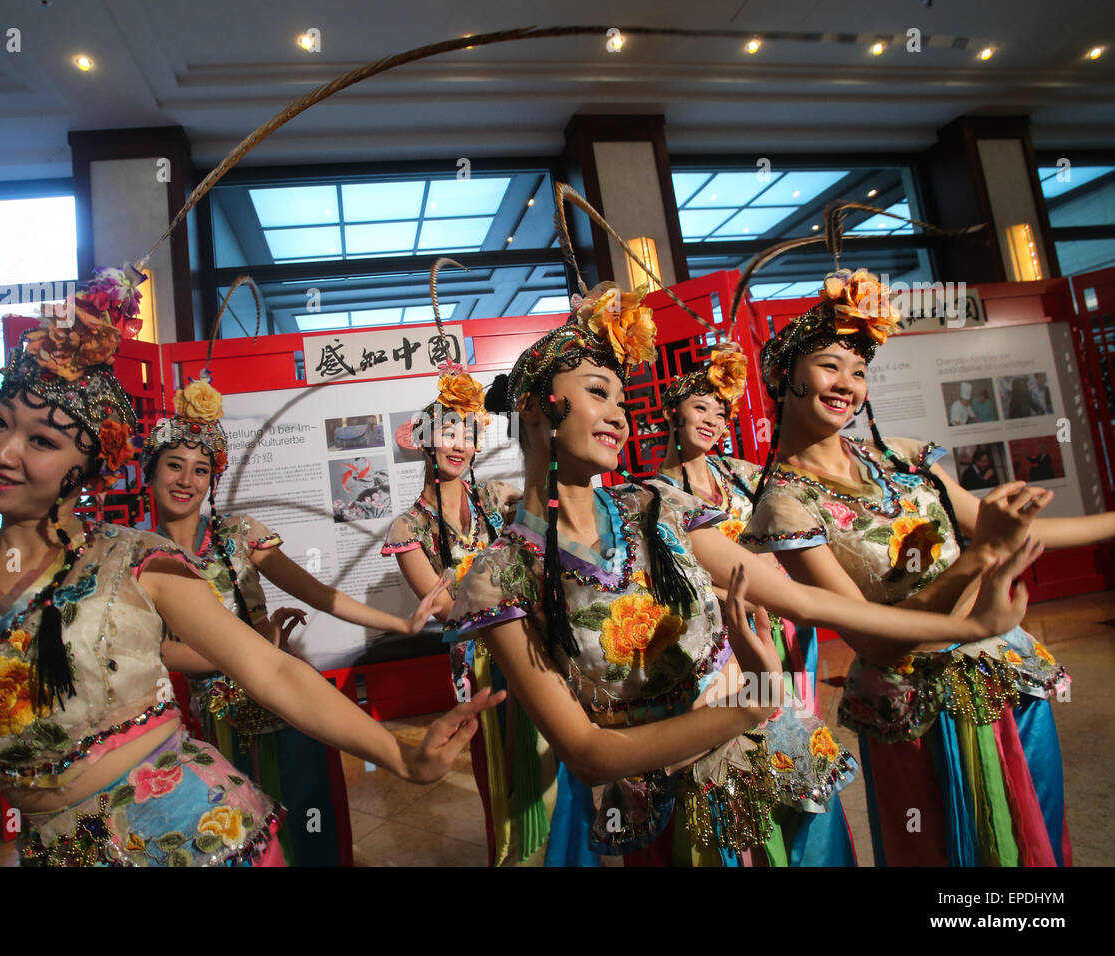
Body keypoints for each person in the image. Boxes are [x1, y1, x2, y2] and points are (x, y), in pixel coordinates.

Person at [0, 267, 500, 866]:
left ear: (86, 469)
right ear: (147, 473)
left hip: (201, 834)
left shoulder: (139, 562)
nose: (4, 449)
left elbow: (272, 662)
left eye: (41, 439)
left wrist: (393, 748)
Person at [445, 280, 1035, 867]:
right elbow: (588, 753)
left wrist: (968, 615)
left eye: (624, 402)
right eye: (598, 393)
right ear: (533, 406)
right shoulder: (501, 579)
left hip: (779, 764)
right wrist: (750, 704)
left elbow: (804, 601)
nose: (619, 418)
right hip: (676, 811)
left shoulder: (656, 508)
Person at [741, 266, 1115, 865]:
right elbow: (872, 638)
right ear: (786, 376)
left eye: (860, 371)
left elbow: (1000, 524)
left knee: (1036, 836)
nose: (848, 383)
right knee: (938, 849)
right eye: (831, 365)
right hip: (912, 701)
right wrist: (982, 560)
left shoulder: (907, 456)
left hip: (1004, 674)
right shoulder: (785, 504)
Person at [142, 373, 444, 866]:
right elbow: (157, 648)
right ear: (149, 473)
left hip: (286, 706)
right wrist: (256, 642)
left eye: (200, 470)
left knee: (308, 825)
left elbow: (318, 594)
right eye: (174, 466)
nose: (186, 480)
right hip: (217, 725)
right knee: (233, 837)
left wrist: (403, 625)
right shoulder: (138, 557)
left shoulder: (239, 534)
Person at [383, 363, 596, 866]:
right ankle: (519, 857)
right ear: (425, 441)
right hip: (480, 662)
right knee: (504, 770)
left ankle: (569, 853)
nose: (457, 444)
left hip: (536, 643)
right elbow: (442, 607)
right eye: (446, 432)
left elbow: (552, 505)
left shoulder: (495, 498)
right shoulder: (407, 527)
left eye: (466, 433)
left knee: (557, 750)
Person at [654, 343, 855, 865]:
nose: (713, 420)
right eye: (701, 407)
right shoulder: (652, 493)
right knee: (742, 750)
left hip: (784, 628)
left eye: (722, 413)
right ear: (672, 412)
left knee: (794, 740)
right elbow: (674, 580)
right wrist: (741, 594)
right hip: (721, 641)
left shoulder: (746, 474)